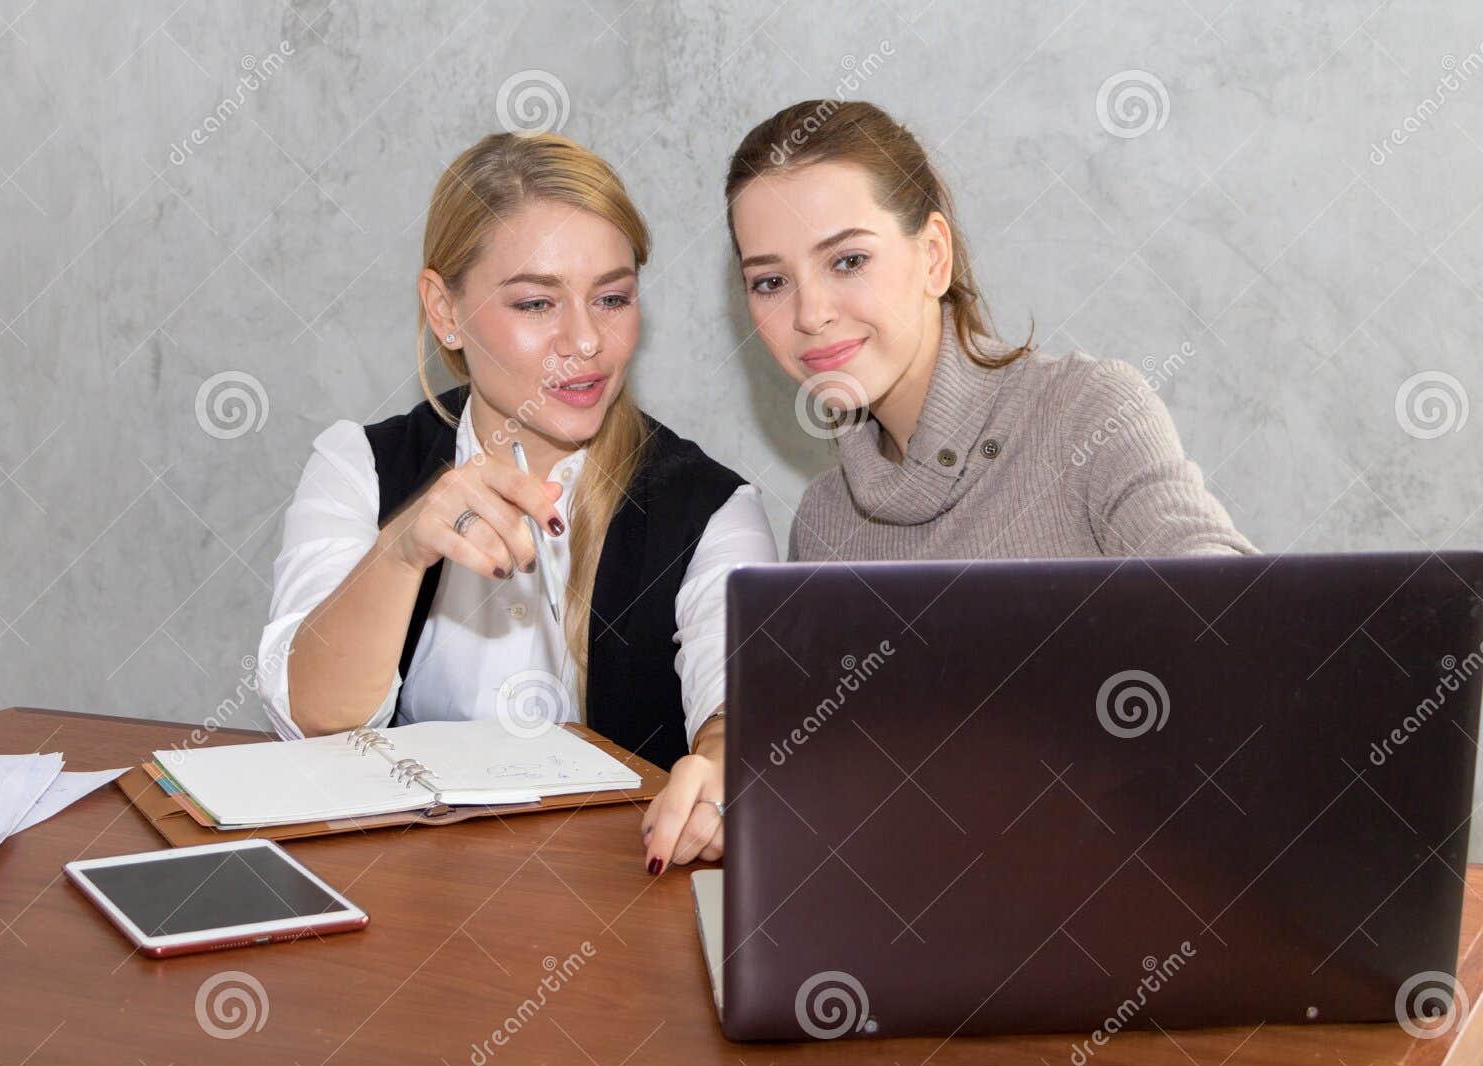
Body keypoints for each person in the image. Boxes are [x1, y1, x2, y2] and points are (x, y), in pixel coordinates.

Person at [640, 100, 1255, 872]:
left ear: (934, 256)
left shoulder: (1086, 413)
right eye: (770, 281)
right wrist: (748, 797)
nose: (810, 313)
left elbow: (1239, 627)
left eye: (847, 260)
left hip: (1131, 885)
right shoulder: (825, 524)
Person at [258, 132, 778, 880]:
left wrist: (726, 762)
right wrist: (401, 551)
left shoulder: (712, 508)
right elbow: (312, 717)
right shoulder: (359, 467)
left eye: (612, 298)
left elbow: (737, 702)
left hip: (615, 913)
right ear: (445, 310)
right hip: (397, 901)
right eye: (537, 302)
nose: (586, 340)